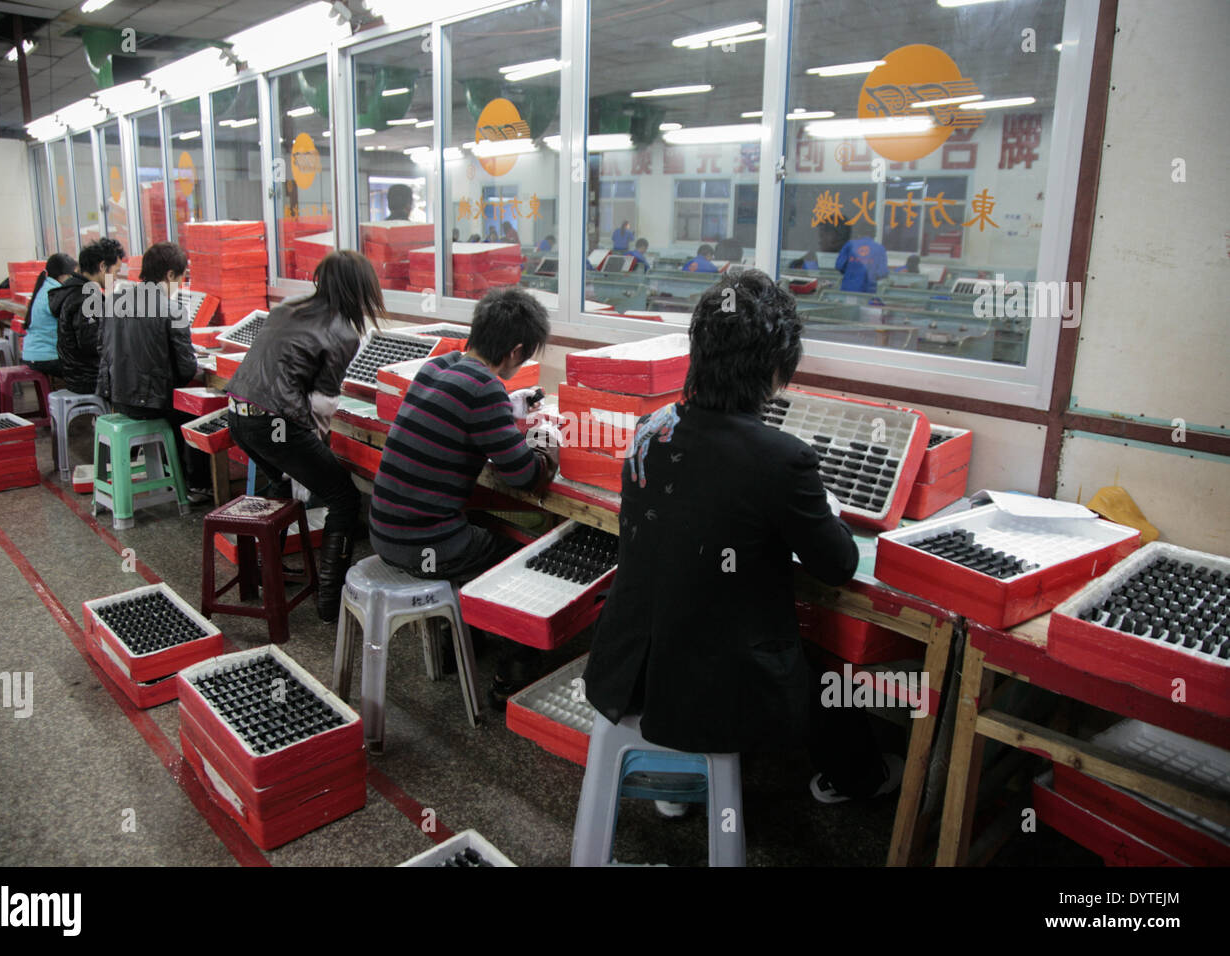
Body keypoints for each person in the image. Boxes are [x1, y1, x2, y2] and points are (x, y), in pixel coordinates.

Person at [583, 270, 902, 815]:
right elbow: (838, 564)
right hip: (715, 692)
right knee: (829, 669)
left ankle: (680, 775)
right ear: (777, 370)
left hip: (626, 668)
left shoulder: (649, 428)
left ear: (698, 351)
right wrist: (824, 509)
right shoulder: (782, 458)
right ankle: (855, 778)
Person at [368, 286, 560, 707]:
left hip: (384, 531)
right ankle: (511, 682)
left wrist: (504, 423)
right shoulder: (484, 388)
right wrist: (547, 438)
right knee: (522, 560)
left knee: (479, 531)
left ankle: (457, 648)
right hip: (422, 545)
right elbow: (526, 475)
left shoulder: (438, 367)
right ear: (515, 351)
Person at [225, 251, 386, 621]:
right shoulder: (344, 331)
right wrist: (314, 453)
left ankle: (269, 578)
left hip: (239, 414)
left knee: (281, 485)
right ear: (362, 288)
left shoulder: (288, 308)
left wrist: (302, 465)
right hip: (274, 424)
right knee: (343, 497)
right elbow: (323, 404)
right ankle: (332, 603)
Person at [97, 242, 210, 501]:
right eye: (180, 279)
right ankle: (196, 485)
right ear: (170, 275)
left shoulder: (113, 301)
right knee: (197, 413)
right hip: (149, 403)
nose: (179, 286)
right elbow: (187, 369)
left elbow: (102, 348)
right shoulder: (173, 310)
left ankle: (168, 473)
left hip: (116, 396)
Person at [50, 238, 125, 395]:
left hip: (75, 373)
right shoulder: (88, 296)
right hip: (90, 378)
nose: (116, 278)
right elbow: (91, 343)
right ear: (103, 266)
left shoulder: (72, 290)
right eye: (116, 272)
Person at [21, 252, 77, 379]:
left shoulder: (46, 287)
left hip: (33, 354)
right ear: (63, 276)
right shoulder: (56, 294)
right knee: (92, 371)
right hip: (47, 357)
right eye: (73, 275)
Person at [836, 223, 889, 293]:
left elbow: (839, 266)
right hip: (868, 292)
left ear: (858, 233)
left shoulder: (849, 245)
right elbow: (882, 273)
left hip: (848, 290)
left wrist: (852, 274)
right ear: (874, 234)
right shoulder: (879, 248)